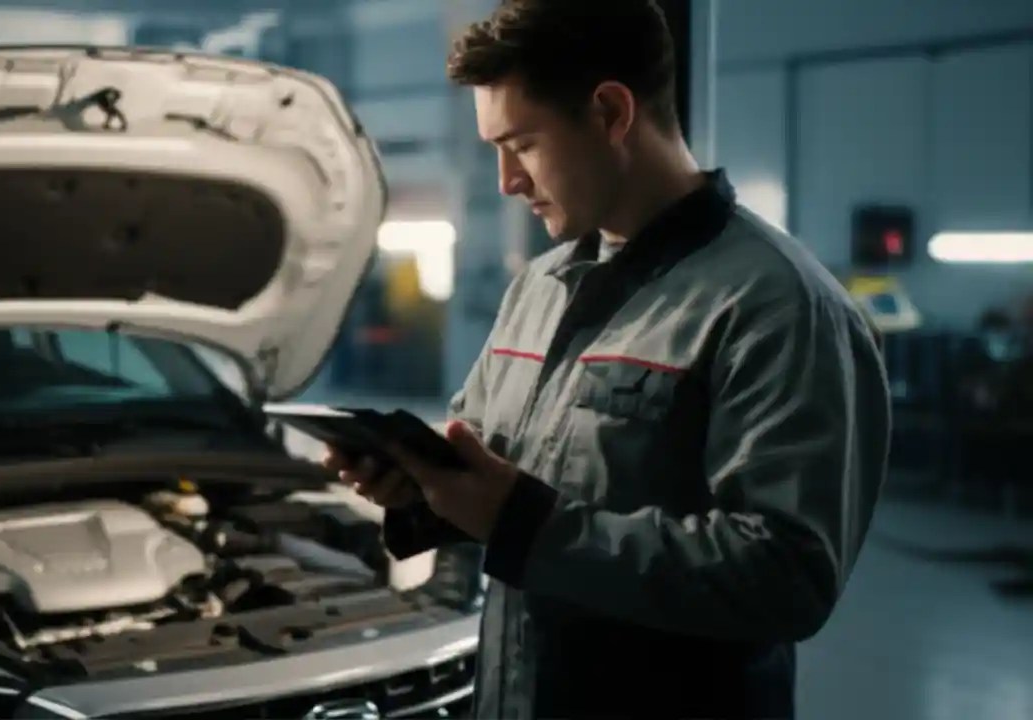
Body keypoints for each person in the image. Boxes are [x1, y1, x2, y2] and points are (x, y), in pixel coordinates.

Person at [322, 1, 891, 717]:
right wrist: (423, 490)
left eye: (523, 144)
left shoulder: (778, 305)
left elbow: (787, 578)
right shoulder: (538, 287)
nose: (506, 181)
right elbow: (489, 469)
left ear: (612, 112)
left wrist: (527, 523)